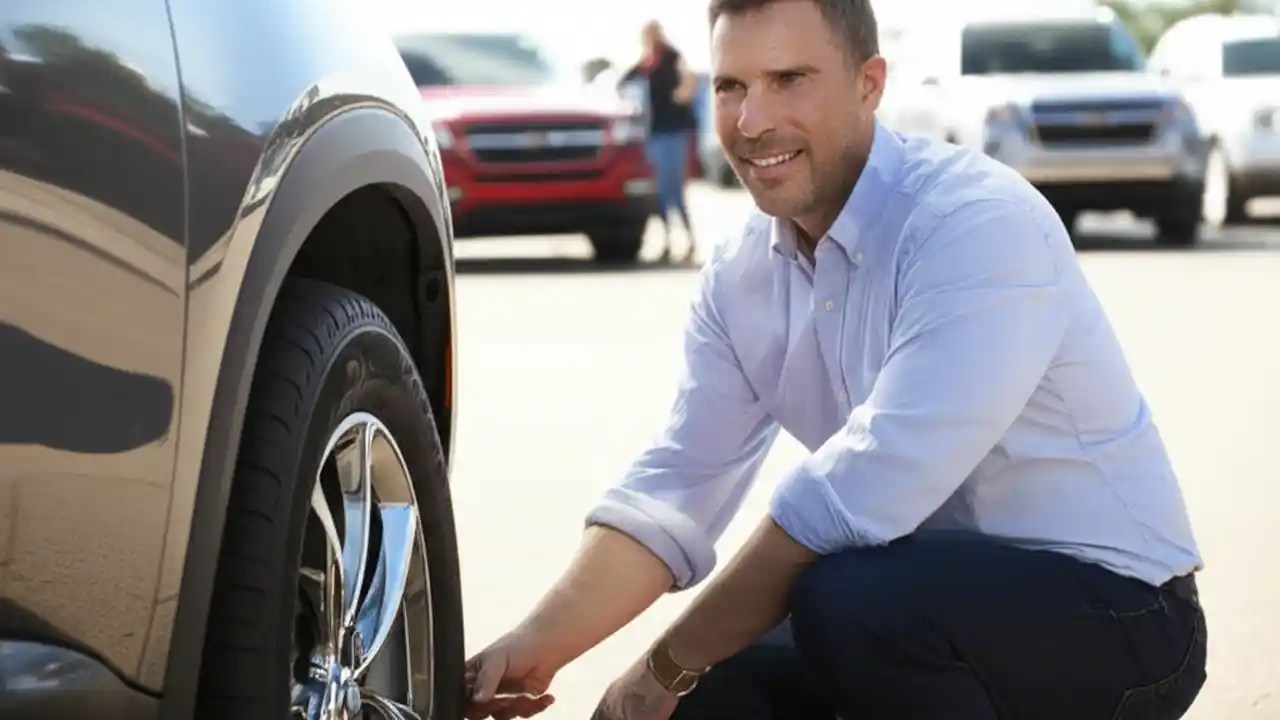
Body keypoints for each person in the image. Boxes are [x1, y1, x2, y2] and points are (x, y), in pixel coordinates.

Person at [464, 1, 1208, 719]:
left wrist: (660, 668)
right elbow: (677, 485)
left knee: (845, 603)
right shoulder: (741, 273)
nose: (752, 123)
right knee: (712, 692)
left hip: (1123, 615)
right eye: (732, 87)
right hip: (920, 606)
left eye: (790, 80)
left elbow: (856, 492)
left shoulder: (972, 223)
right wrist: (536, 645)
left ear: (869, 84)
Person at [619, 21, 700, 264]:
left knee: (674, 191)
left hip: (673, 133)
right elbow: (624, 81)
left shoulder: (672, 58)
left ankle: (688, 241)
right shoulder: (648, 64)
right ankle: (667, 241)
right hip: (655, 135)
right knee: (661, 194)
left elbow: (691, 77)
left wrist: (680, 96)